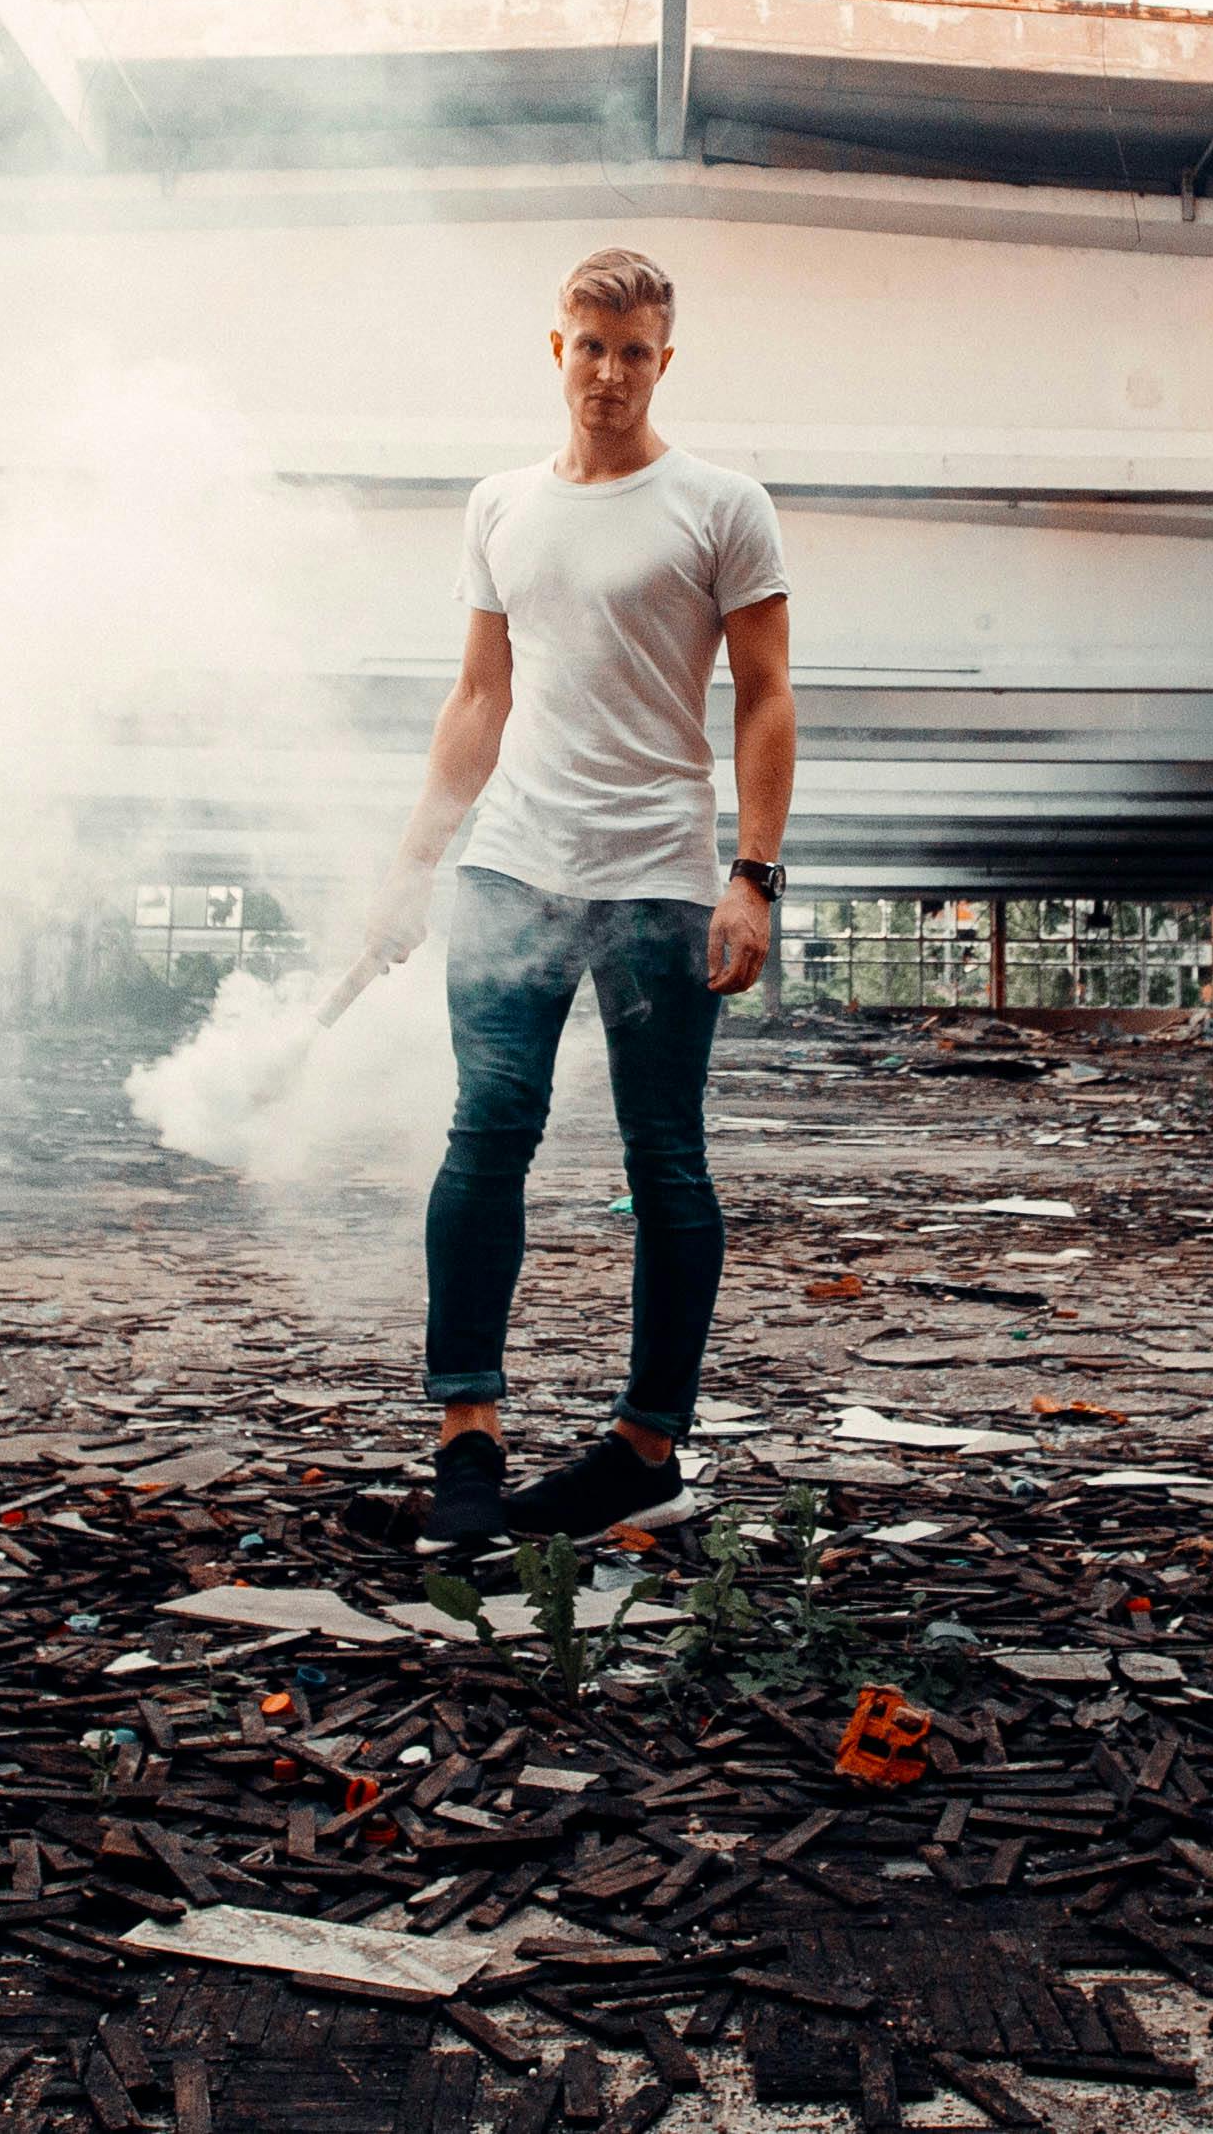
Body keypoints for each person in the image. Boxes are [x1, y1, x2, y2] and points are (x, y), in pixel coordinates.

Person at [366, 246, 796, 1548]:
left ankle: (645, 1444)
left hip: (661, 878)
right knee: (485, 1132)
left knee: (664, 1159)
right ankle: (466, 1438)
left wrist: (754, 879)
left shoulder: (722, 504)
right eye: (588, 347)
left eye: (635, 352)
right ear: (554, 349)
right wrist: (411, 867)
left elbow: (767, 696)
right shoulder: (500, 504)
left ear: (666, 360)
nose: (609, 374)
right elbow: (479, 699)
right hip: (511, 866)